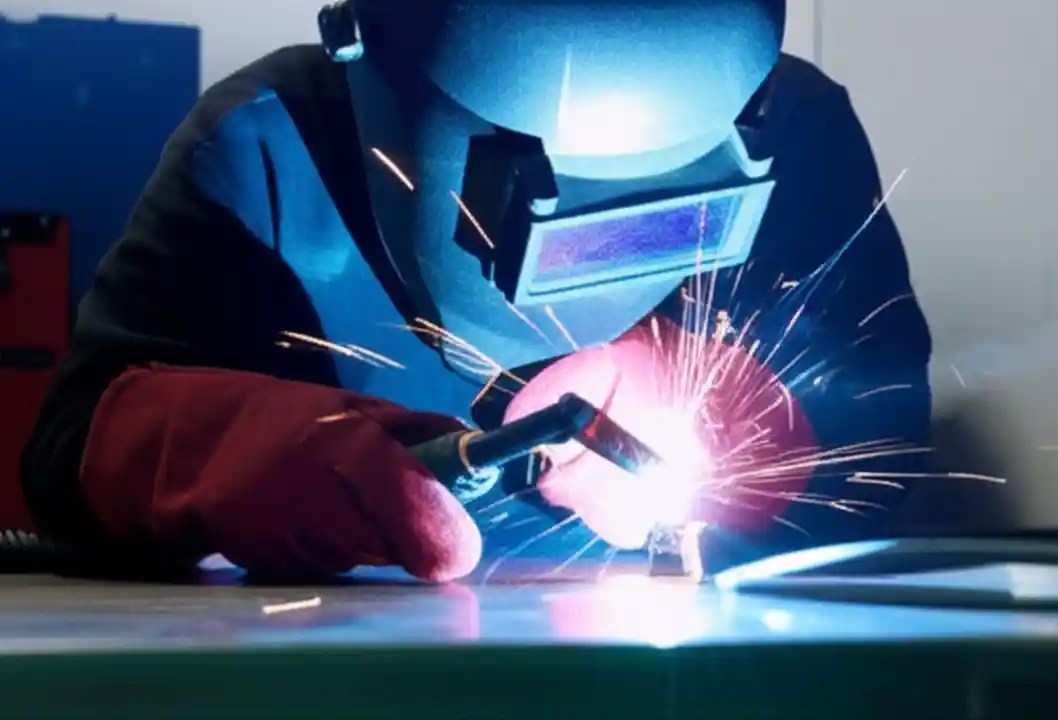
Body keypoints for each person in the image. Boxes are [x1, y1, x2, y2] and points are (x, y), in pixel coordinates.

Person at [18, 0, 931, 582]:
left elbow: (884, 441)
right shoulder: (267, 150)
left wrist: (775, 431)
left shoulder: (796, 128)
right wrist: (236, 451)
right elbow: (66, 455)